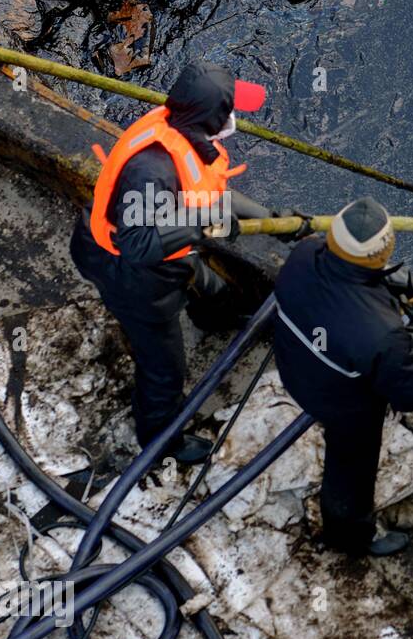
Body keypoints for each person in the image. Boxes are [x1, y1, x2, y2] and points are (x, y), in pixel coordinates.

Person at [71, 59, 283, 463]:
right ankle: (159, 440)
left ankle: (213, 316)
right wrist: (203, 222)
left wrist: (273, 221)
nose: (235, 118)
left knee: (209, 284)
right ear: (211, 116)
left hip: (165, 251)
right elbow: (137, 245)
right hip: (127, 272)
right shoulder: (150, 170)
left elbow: (210, 191)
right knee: (164, 369)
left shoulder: (185, 131)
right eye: (230, 110)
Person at [272, 196, 413, 557]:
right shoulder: (381, 334)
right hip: (340, 406)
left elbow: (347, 276)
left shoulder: (304, 254)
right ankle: (349, 536)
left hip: (293, 368)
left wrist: (404, 283)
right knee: (350, 469)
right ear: (384, 251)